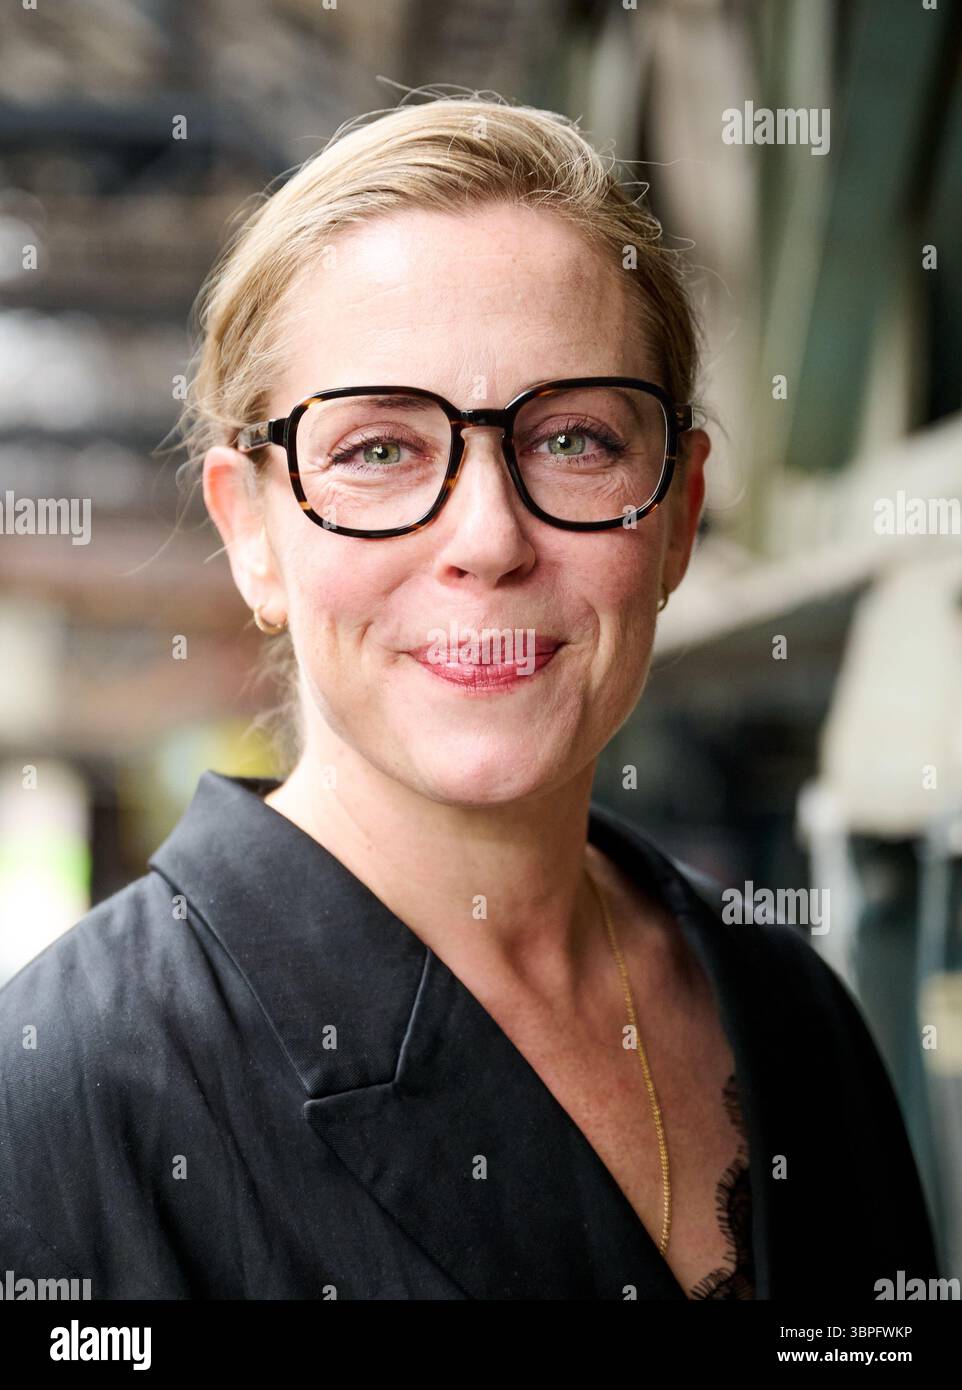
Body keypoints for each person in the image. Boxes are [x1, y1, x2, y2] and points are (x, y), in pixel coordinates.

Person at [0, 94, 938, 1301]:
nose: (488, 538)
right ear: (253, 535)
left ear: (679, 516)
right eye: (378, 449)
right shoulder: (61, 1095)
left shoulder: (789, 1012)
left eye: (575, 440)